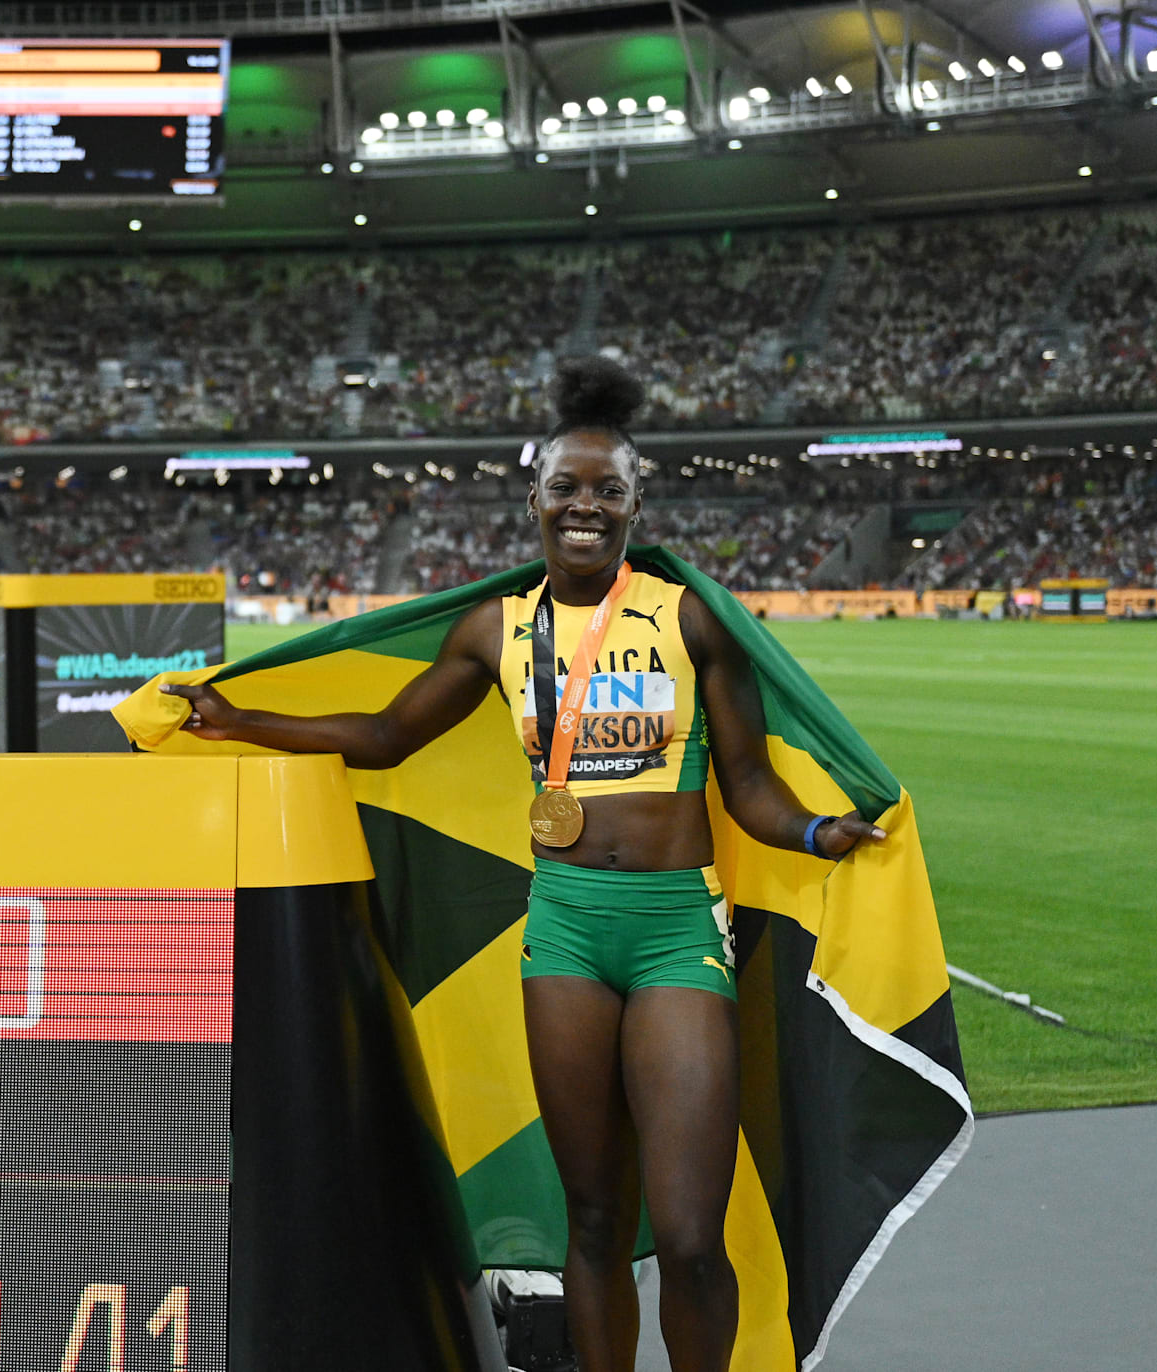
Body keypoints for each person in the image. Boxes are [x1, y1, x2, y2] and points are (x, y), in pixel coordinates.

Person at [161, 355, 887, 1372]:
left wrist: (817, 831)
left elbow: (750, 788)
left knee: (687, 1235)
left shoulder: (686, 620)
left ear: (637, 503)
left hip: (676, 927)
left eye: (606, 489)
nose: (583, 506)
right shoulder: (493, 631)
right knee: (590, 1219)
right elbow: (381, 735)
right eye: (564, 487)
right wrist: (244, 721)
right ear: (533, 499)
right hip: (565, 934)